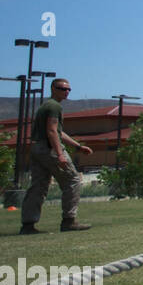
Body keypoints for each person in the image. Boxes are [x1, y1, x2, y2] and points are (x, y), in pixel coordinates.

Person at [19, 78, 92, 234]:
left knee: (38, 186)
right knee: (72, 180)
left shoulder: (46, 106)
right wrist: (60, 154)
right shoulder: (54, 106)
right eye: (62, 88)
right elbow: (52, 131)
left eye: (68, 89)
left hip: (37, 148)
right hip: (49, 149)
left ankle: (28, 224)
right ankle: (69, 220)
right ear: (53, 89)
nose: (66, 92)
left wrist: (78, 146)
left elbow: (58, 131)